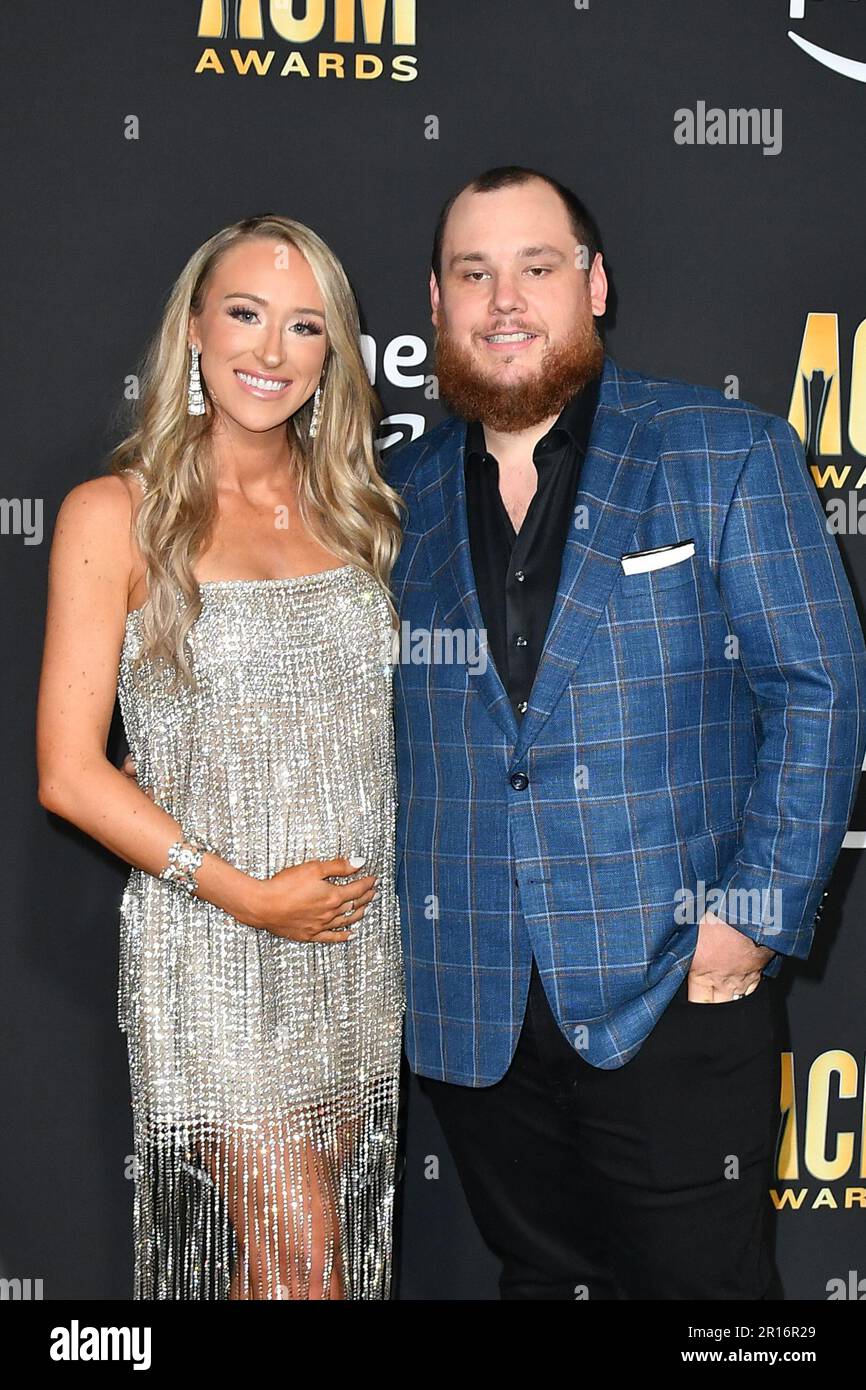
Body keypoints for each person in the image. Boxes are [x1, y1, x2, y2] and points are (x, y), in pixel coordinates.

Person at [384, 166, 866, 1299]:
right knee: (538, 1282)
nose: (504, 301)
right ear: (437, 302)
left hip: (672, 990)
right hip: (471, 1000)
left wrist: (747, 920)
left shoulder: (718, 449)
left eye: (536, 267)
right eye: (473, 274)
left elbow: (819, 685)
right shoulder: (386, 494)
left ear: (592, 283)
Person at [36, 215, 406, 1300]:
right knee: (305, 1267)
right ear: (194, 328)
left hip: (350, 941)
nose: (269, 350)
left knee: (280, 1268)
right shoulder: (117, 515)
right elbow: (67, 770)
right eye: (244, 313)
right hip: (212, 942)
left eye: (304, 327)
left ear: (331, 354)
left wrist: (305, 910)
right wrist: (246, 896)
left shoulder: (357, 510)